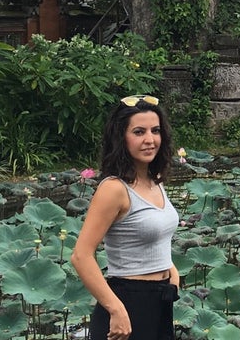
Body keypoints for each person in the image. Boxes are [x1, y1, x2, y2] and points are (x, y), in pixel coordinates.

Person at [72, 95, 180, 340]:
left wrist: (170, 269)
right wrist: (115, 308)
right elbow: (81, 256)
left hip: (161, 301)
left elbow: (155, 235)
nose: (150, 140)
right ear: (121, 138)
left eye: (155, 131)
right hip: (127, 302)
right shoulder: (114, 189)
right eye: (139, 132)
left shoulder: (154, 181)